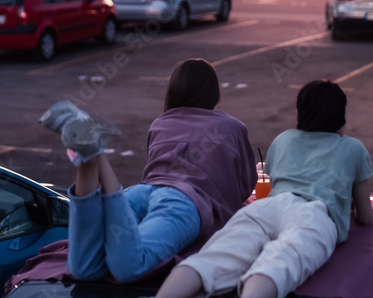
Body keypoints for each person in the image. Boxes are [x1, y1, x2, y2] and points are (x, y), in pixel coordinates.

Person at [117, 79, 373, 298]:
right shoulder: (353, 148)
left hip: (268, 207)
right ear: (341, 116)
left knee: (217, 254)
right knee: (285, 257)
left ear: (299, 113)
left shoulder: (283, 140)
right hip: (313, 212)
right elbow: (365, 215)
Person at [40, 58, 257, 286]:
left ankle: (94, 156)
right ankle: (96, 151)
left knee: (84, 268)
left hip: (140, 193)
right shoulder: (232, 127)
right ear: (214, 93)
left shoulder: (161, 123)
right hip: (183, 201)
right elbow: (244, 186)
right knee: (129, 267)